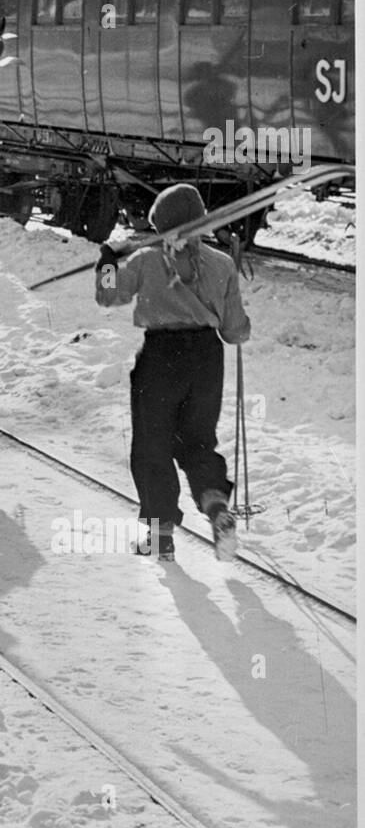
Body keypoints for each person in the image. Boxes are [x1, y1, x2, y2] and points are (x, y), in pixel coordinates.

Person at [95, 182, 251, 561]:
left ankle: (158, 536)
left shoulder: (146, 260)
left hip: (161, 359)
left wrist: (108, 263)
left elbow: (107, 295)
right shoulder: (222, 263)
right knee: (198, 442)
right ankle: (216, 507)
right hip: (207, 360)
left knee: (153, 446)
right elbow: (235, 332)